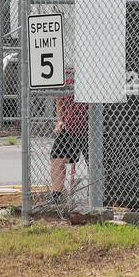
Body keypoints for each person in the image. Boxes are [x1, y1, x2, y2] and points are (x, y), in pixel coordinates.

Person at [49, 68, 87, 205]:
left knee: (97, 163)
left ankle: (103, 196)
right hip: (70, 127)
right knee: (57, 158)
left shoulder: (93, 76)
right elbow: (60, 100)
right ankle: (56, 195)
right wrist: (60, 120)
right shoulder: (66, 80)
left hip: (92, 128)